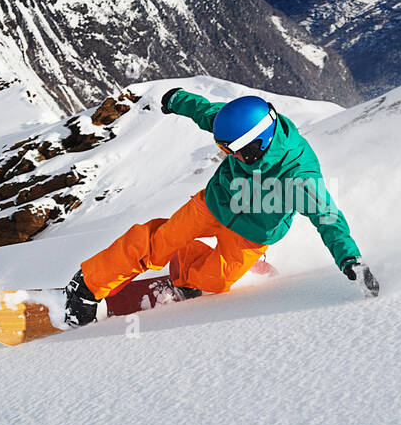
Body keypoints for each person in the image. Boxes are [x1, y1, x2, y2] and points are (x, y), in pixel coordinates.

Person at [62, 88, 378, 326]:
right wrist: (176, 99)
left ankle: (186, 276)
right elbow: (205, 110)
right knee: (160, 243)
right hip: (214, 204)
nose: (226, 154)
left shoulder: (299, 174)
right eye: (222, 147)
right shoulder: (241, 128)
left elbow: (328, 218)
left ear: (258, 146)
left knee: (216, 282)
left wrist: (350, 259)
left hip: (253, 233)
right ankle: (87, 284)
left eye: (230, 150)